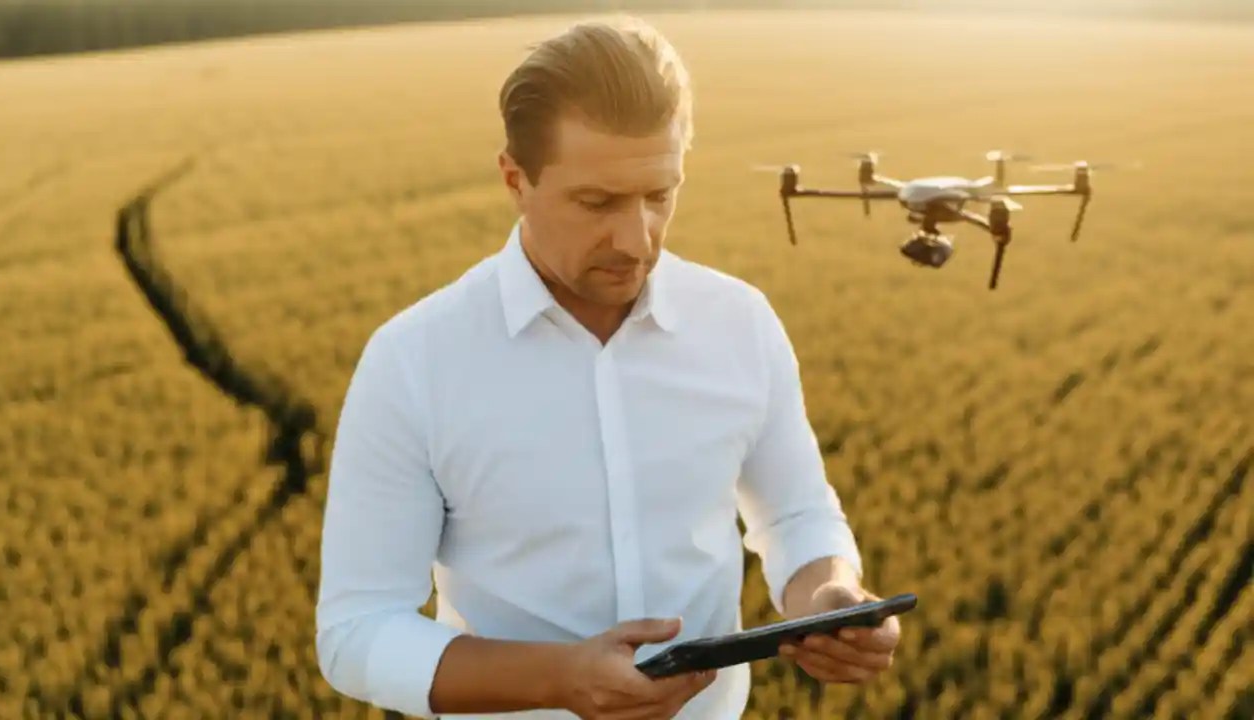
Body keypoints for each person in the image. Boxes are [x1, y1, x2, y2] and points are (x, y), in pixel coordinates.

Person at [315, 15, 901, 720]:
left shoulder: (741, 325)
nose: (637, 239)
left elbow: (797, 515)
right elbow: (357, 634)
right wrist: (558, 679)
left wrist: (829, 598)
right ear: (514, 179)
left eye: (661, 195)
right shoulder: (413, 362)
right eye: (598, 203)